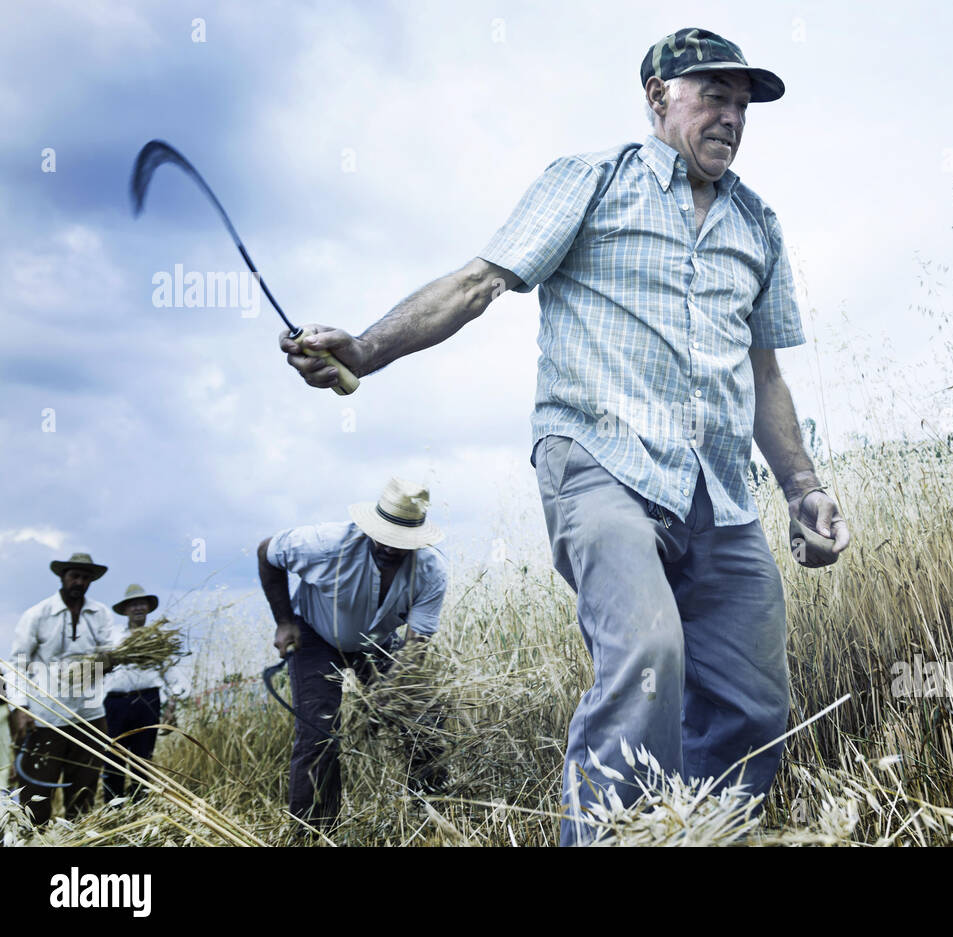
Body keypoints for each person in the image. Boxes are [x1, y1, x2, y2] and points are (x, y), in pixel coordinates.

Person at [278, 27, 851, 845]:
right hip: (600, 465)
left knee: (754, 702)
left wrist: (803, 488)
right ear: (658, 95)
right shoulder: (593, 182)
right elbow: (479, 283)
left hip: (718, 492)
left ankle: (694, 836)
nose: (730, 115)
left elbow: (766, 379)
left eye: (741, 102)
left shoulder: (757, 225)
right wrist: (366, 350)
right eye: (711, 95)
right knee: (649, 654)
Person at [256, 477, 450, 833]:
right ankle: (314, 833)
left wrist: (392, 695)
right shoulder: (327, 544)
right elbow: (267, 552)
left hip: (377, 643)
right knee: (319, 733)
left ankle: (429, 818)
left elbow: (416, 646)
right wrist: (284, 621)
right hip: (315, 635)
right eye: (385, 536)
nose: (390, 548)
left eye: (400, 541)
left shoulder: (431, 571)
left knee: (424, 720)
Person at [5, 553, 116, 825]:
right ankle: (33, 838)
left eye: (85, 577)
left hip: (88, 713)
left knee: (84, 787)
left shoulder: (100, 614)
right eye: (74, 576)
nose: (79, 582)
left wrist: (108, 660)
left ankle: (78, 838)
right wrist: (20, 707)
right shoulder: (38, 614)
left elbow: (111, 652)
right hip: (46, 715)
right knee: (36, 791)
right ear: (62, 577)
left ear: (91, 581)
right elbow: (17, 663)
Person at [100, 584, 187, 803]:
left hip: (148, 701)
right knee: (114, 754)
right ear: (126, 609)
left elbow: (172, 675)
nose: (138, 608)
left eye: (142, 604)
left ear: (148, 608)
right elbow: (100, 668)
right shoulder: (114, 638)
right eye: (133, 604)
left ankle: (140, 805)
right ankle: (113, 806)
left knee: (143, 756)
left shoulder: (158, 641)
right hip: (117, 703)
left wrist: (171, 706)